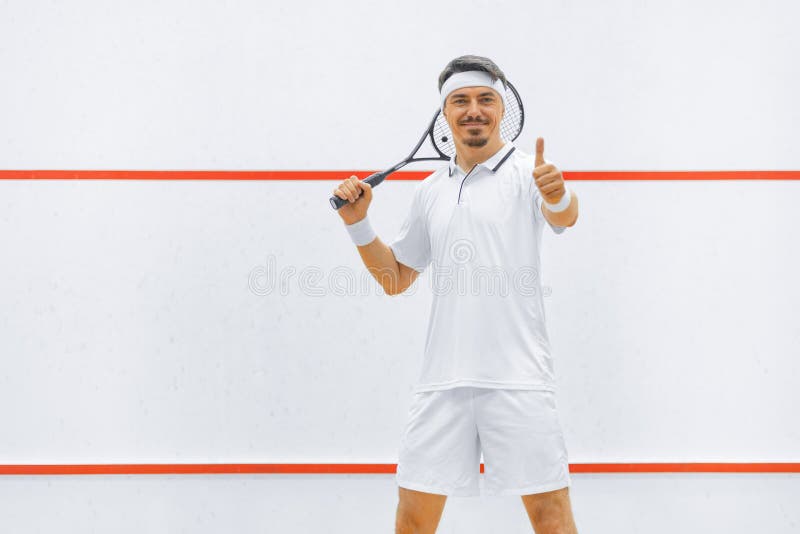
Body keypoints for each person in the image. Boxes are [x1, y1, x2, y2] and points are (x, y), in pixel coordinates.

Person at [332, 55, 580, 534]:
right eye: (460, 100)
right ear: (444, 114)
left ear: (501, 109)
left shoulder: (530, 173)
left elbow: (565, 216)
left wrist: (558, 195)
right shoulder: (430, 191)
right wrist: (358, 223)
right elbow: (396, 277)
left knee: (550, 516)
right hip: (442, 384)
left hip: (519, 380)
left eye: (485, 99)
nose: (473, 109)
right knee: (412, 519)